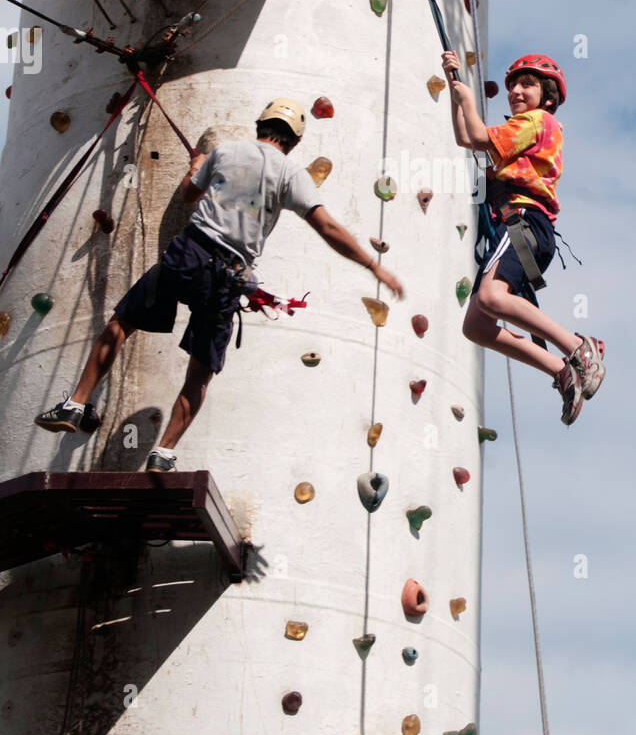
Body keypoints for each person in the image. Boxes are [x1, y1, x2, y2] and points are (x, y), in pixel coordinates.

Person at [35, 99, 405, 469]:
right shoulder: (292, 175)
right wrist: (373, 266)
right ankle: (162, 453)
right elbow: (327, 226)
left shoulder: (225, 152)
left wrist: (195, 167)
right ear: (294, 142)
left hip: (189, 254)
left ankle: (74, 404)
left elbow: (187, 195)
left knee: (121, 325)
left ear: (260, 126)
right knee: (199, 372)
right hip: (229, 275)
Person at [442, 50, 605, 426]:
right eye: (513, 84)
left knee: (491, 297)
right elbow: (467, 139)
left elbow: (479, 135)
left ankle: (578, 346)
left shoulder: (537, 120)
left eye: (526, 84)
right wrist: (456, 94)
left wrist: (466, 97)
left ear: (547, 96)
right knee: (476, 327)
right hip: (519, 227)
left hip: (525, 220)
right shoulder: (527, 128)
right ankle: (560, 370)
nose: (515, 90)